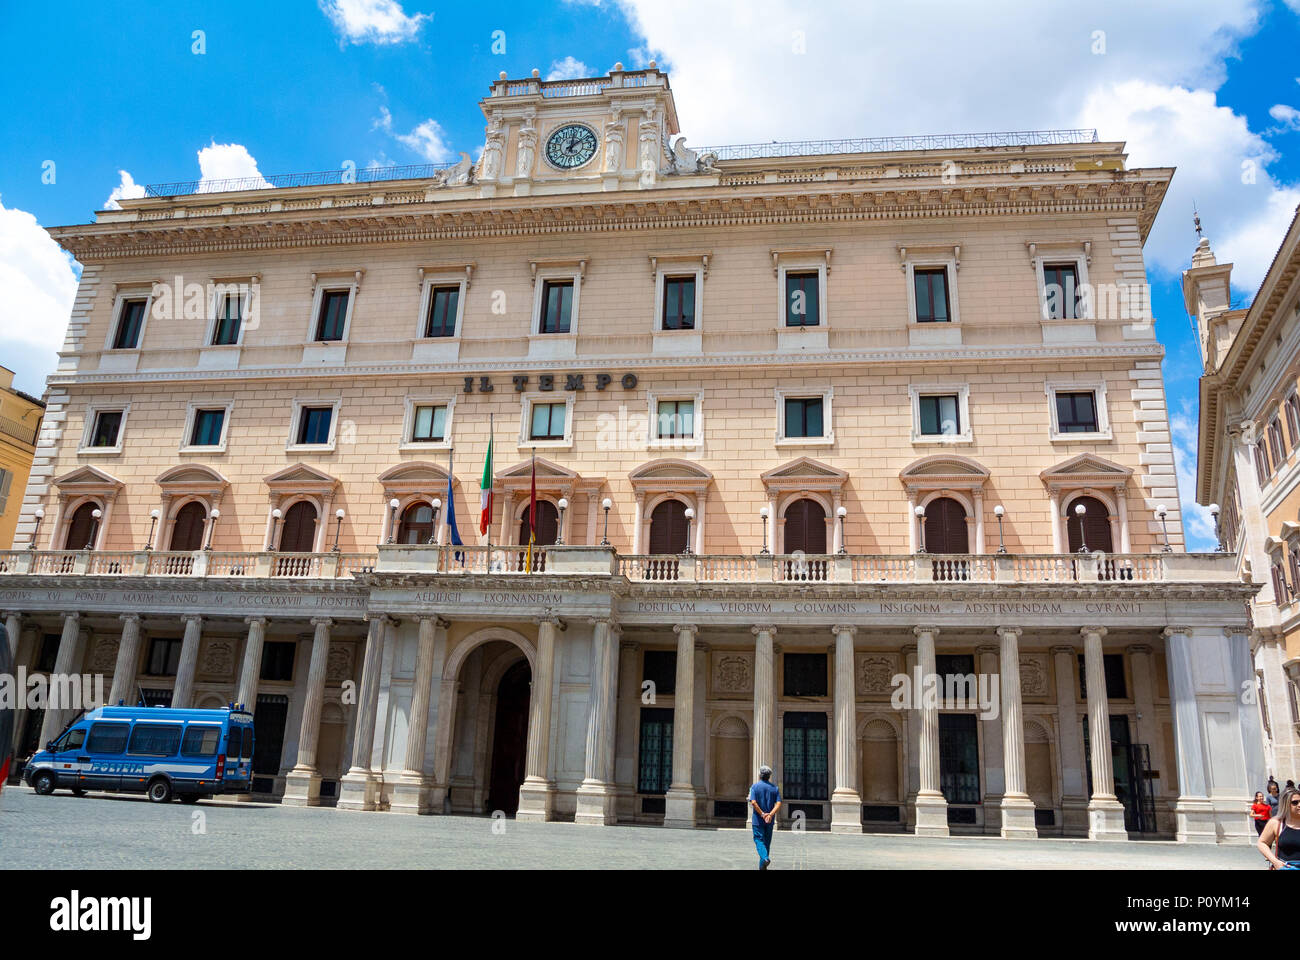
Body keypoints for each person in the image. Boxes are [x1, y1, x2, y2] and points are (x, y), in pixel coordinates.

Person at [1258, 785, 1300, 869]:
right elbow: (1262, 843)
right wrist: (1275, 861)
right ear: (1286, 804)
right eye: (1295, 802)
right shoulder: (1276, 823)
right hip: (1286, 867)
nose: (1299, 805)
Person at [749, 764, 782, 871]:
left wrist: (763, 814)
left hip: (758, 820)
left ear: (760, 775)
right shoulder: (774, 788)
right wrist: (770, 815)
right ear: (769, 776)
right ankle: (763, 867)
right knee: (766, 844)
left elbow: (753, 802)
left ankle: (765, 858)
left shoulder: (754, 787)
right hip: (769, 821)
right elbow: (778, 803)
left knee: (759, 841)